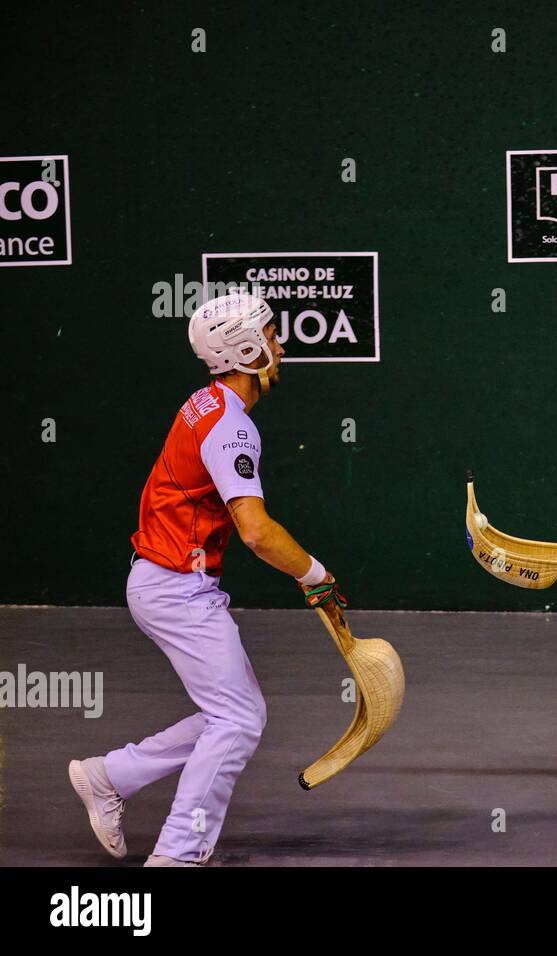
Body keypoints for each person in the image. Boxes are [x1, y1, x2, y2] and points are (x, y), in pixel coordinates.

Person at [68, 292, 347, 866]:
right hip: (174, 587)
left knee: (235, 713)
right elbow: (256, 531)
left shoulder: (206, 403)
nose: (281, 345)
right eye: (271, 337)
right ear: (246, 349)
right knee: (238, 719)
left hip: (166, 581)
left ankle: (107, 777)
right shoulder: (231, 427)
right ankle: (178, 854)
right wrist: (316, 575)